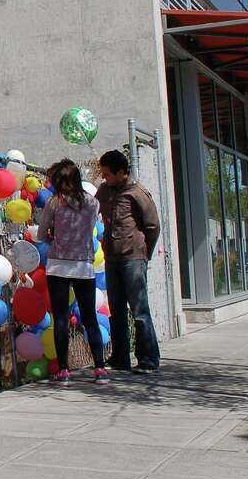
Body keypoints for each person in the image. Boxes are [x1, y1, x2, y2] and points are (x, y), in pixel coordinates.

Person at [36, 159, 108, 385]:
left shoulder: (54, 203)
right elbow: (90, 228)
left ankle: (64, 371)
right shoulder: (93, 203)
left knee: (60, 318)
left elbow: (41, 234)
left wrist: (55, 238)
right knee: (90, 318)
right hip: (83, 265)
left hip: (58, 265)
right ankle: (100, 368)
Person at [96, 149, 161, 373]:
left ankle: (148, 358)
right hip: (112, 258)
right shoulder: (104, 191)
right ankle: (120, 357)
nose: (104, 177)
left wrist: (144, 252)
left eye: (107, 174)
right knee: (116, 310)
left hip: (133, 258)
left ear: (121, 172)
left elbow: (153, 226)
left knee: (139, 310)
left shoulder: (137, 192)